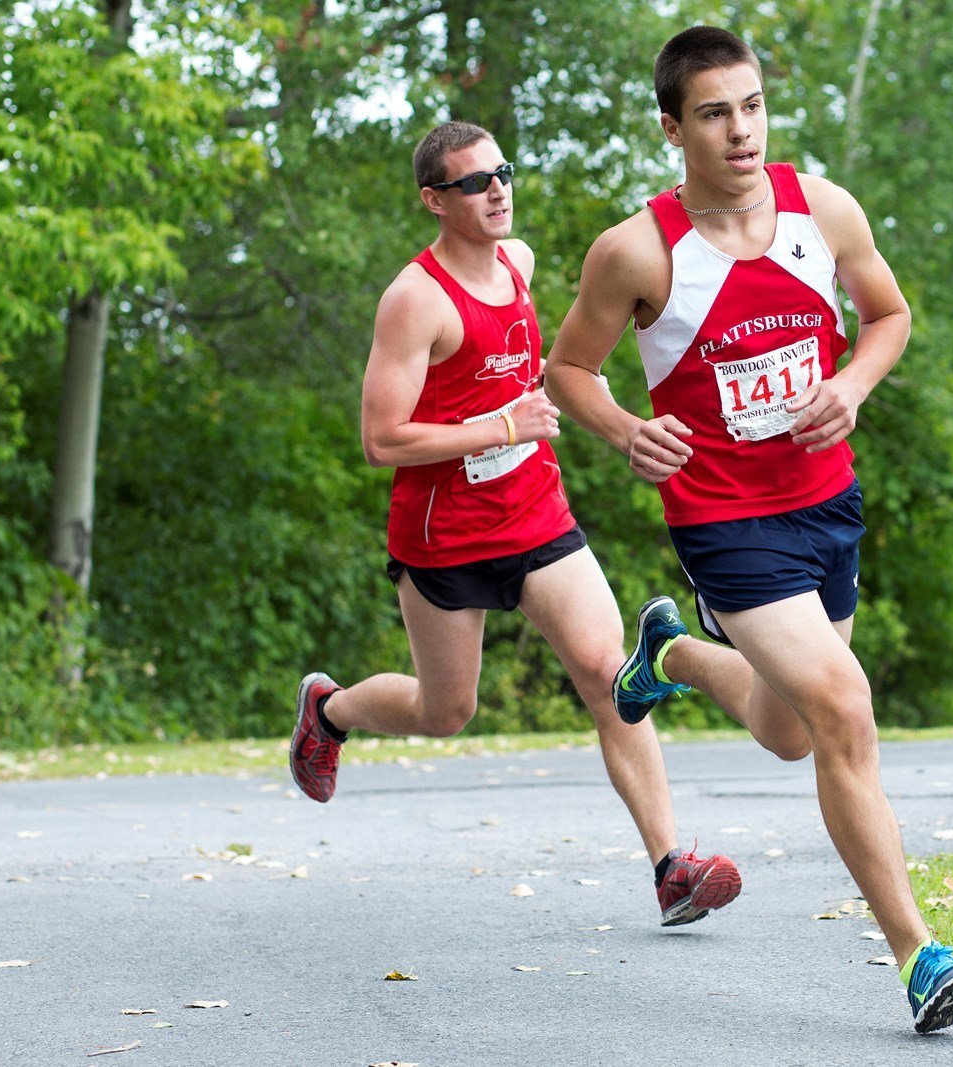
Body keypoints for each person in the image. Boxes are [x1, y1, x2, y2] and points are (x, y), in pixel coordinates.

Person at [543, 28, 953, 1033]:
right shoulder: (637, 251)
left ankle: (670, 654)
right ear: (673, 128)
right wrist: (625, 429)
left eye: (751, 106)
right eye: (714, 113)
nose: (740, 130)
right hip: (724, 519)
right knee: (843, 704)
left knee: (790, 731)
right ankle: (920, 954)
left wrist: (851, 384)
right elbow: (567, 369)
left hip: (825, 502)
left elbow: (888, 316)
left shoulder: (822, 210)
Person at [287, 120, 740, 929]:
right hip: (445, 534)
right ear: (435, 200)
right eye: (474, 182)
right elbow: (382, 439)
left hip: (535, 512)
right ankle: (330, 711)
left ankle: (672, 866)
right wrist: (502, 426)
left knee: (609, 675)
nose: (497, 190)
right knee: (446, 710)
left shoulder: (519, 262)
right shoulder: (415, 300)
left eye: (503, 172)